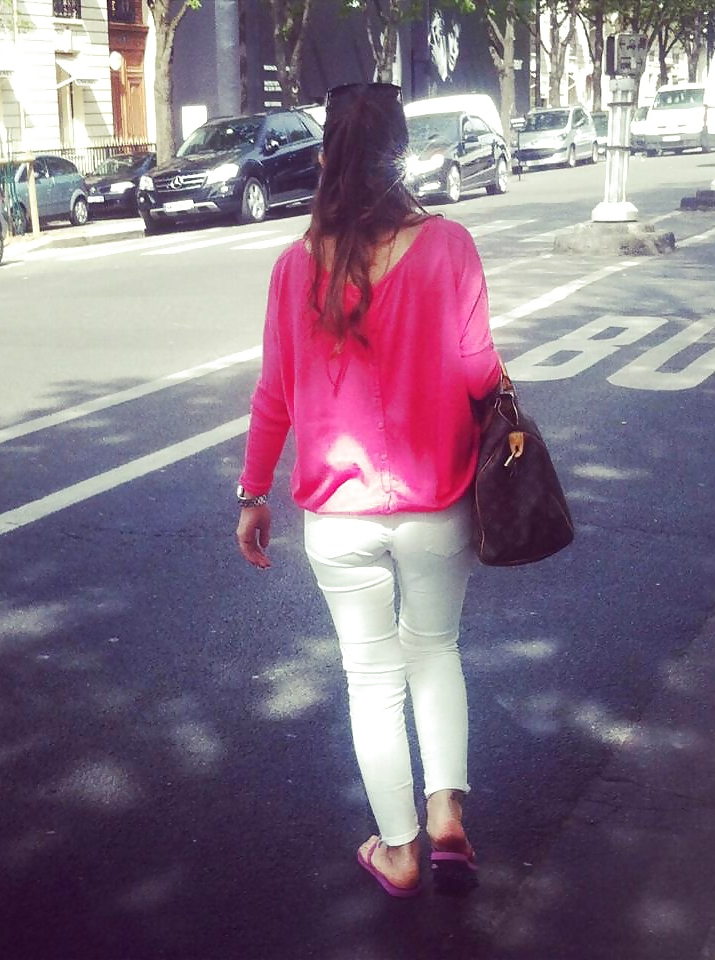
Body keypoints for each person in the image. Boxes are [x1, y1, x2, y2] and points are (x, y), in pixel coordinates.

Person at [235, 82, 501, 898]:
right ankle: (448, 816)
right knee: (436, 650)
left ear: (324, 160)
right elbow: (478, 371)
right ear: (401, 156)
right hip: (437, 500)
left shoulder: (293, 267)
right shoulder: (448, 246)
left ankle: (399, 849)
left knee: (371, 677)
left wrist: (253, 492)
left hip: (338, 515)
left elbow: (274, 394)